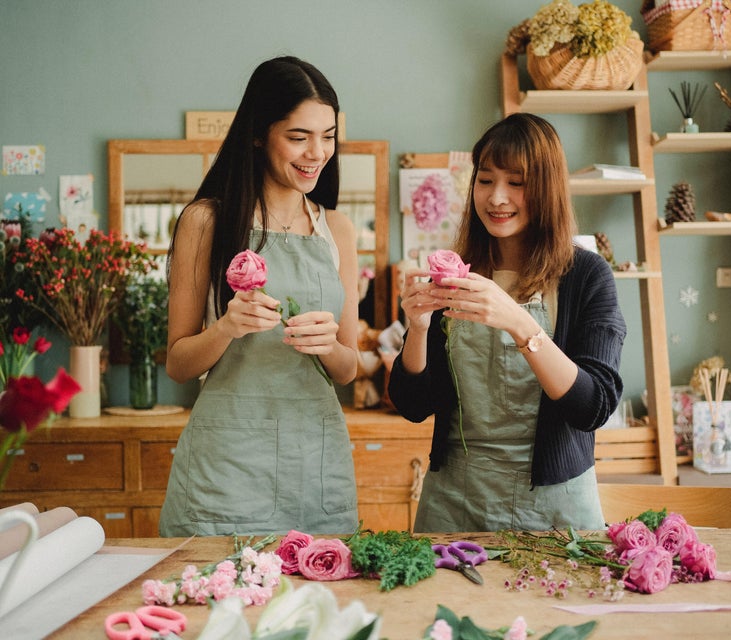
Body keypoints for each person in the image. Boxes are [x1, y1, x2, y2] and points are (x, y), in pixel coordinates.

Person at [388, 113, 626, 533]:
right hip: (456, 499)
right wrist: (419, 328)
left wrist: (521, 325)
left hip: (557, 504)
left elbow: (594, 406)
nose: (497, 197)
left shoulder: (587, 276)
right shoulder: (458, 272)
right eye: (486, 180)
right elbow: (412, 405)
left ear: (547, 188)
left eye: (517, 182)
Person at [159, 56, 360, 536]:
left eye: (327, 136)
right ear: (257, 134)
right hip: (228, 464)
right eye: (298, 137)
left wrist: (328, 346)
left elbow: (349, 367)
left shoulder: (337, 229)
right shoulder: (206, 221)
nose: (317, 152)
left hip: (315, 457)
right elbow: (179, 363)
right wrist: (228, 327)